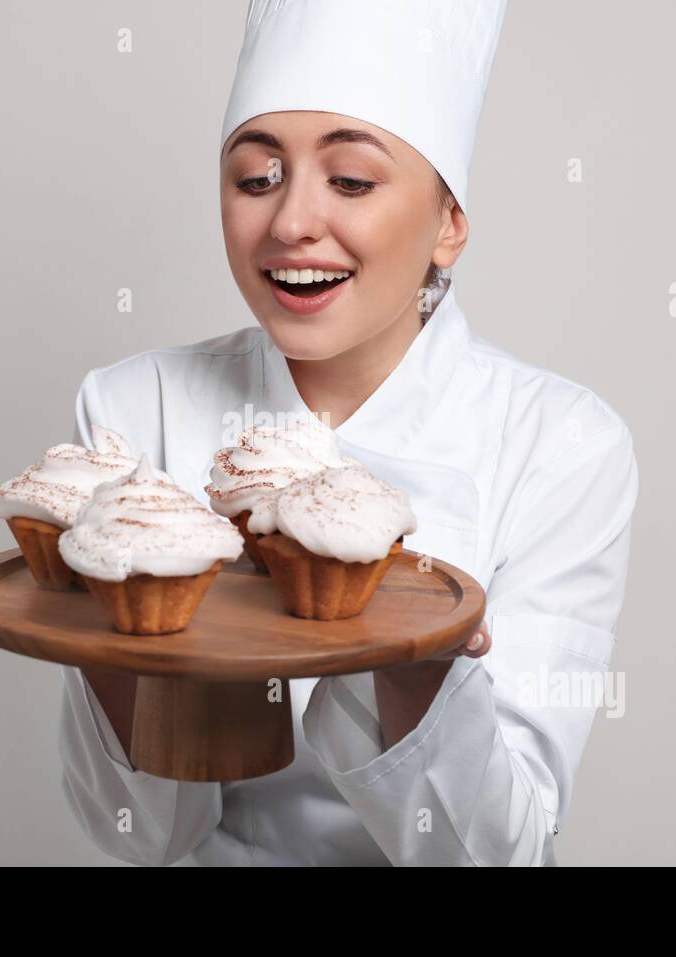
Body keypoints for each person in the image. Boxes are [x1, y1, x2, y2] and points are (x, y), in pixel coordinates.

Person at [56, 0, 639, 866]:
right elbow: (139, 833)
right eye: (256, 178)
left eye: (352, 181)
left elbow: (502, 857)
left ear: (450, 222)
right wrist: (102, 622)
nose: (291, 222)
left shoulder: (560, 444)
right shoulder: (135, 412)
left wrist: (421, 666)